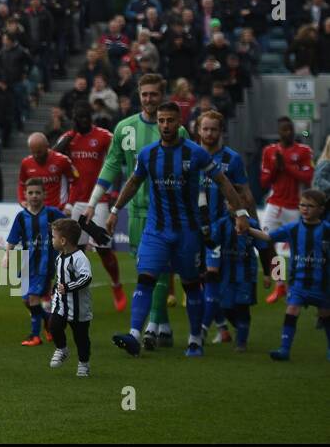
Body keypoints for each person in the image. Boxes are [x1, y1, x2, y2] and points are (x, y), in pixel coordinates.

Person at [109, 101, 250, 358]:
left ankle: (195, 338)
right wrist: (115, 211)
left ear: (179, 122)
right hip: (156, 230)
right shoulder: (148, 154)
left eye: (170, 121)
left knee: (190, 284)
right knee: (146, 277)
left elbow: (223, 182)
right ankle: (134, 335)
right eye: (161, 121)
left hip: (187, 231)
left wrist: (241, 212)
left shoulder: (196, 153)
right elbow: (132, 182)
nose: (165, 125)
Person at [87, 74, 183, 349]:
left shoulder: (177, 130)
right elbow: (112, 167)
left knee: (160, 267)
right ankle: (162, 326)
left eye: (154, 94)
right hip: (136, 210)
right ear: (139, 96)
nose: (149, 99)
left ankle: (151, 327)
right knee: (146, 268)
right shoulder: (125, 128)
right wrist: (94, 202)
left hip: (167, 212)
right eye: (145, 94)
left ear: (162, 94)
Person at [194, 110, 260, 346]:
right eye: (205, 128)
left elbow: (246, 193)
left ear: (221, 131)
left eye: (214, 129)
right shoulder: (189, 156)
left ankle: (208, 330)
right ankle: (223, 328)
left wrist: (251, 222)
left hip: (226, 231)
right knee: (200, 281)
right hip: (196, 229)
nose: (209, 133)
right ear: (198, 130)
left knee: (219, 281)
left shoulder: (232, 159)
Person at [242, 188, 330, 361]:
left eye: (310, 206)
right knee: (291, 310)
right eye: (303, 205)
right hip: (298, 283)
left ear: (321, 209)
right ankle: (284, 349)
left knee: (326, 315)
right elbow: (268, 238)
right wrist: (249, 230)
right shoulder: (293, 229)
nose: (305, 209)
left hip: (323, 284)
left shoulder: (327, 230)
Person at [56, 104, 123, 309]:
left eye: (86, 117)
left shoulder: (103, 136)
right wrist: (65, 142)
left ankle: (116, 284)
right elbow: (53, 156)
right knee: (77, 250)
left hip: (99, 200)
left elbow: (117, 159)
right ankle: (78, 291)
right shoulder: (68, 137)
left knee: (103, 247)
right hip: (76, 201)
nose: (83, 120)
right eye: (79, 117)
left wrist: (113, 191)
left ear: (91, 117)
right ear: (74, 119)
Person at [258, 116, 314, 305]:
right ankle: (280, 284)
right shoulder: (269, 151)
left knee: (301, 249)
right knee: (266, 242)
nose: (287, 133)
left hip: (296, 207)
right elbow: (264, 182)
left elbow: (308, 177)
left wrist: (287, 166)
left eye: (290, 129)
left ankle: (299, 286)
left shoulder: (304, 151)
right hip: (274, 205)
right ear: (279, 132)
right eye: (284, 130)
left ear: (293, 131)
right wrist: (276, 167)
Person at [6, 178, 60, 347]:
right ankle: (49, 322)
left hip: (45, 264)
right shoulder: (21, 217)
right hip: (26, 264)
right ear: (25, 195)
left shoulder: (52, 213)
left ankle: (34, 336)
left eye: (38, 192)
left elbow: (68, 226)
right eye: (31, 193)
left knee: (34, 298)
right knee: (26, 301)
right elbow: (12, 239)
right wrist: (7, 256)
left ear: (44, 194)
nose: (34, 196)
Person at [47, 218, 93, 377]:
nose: (51, 240)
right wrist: (55, 289)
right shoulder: (59, 257)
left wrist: (68, 287)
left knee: (81, 338)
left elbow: (86, 278)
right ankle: (62, 348)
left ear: (63, 240)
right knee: (53, 325)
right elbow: (60, 278)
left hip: (80, 308)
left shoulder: (80, 258)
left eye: (53, 237)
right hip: (61, 304)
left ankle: (83, 363)